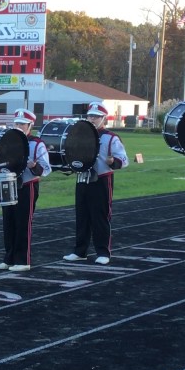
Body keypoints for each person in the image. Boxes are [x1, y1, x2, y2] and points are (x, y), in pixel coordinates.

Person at [62, 102, 128, 265]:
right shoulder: (79, 134)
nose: (92, 119)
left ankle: (103, 252)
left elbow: (124, 160)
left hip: (101, 179)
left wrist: (113, 161)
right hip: (82, 178)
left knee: (100, 216)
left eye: (96, 116)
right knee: (82, 216)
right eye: (90, 116)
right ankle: (80, 251)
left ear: (104, 118)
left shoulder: (111, 137)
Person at [0, 109, 51, 271]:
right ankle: (9, 258)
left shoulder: (36, 143)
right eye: (17, 123)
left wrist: (34, 166)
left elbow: (46, 168)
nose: (19, 126)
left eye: (22, 124)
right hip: (9, 185)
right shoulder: (9, 140)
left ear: (30, 125)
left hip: (27, 186)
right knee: (8, 222)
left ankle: (22, 260)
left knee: (23, 223)